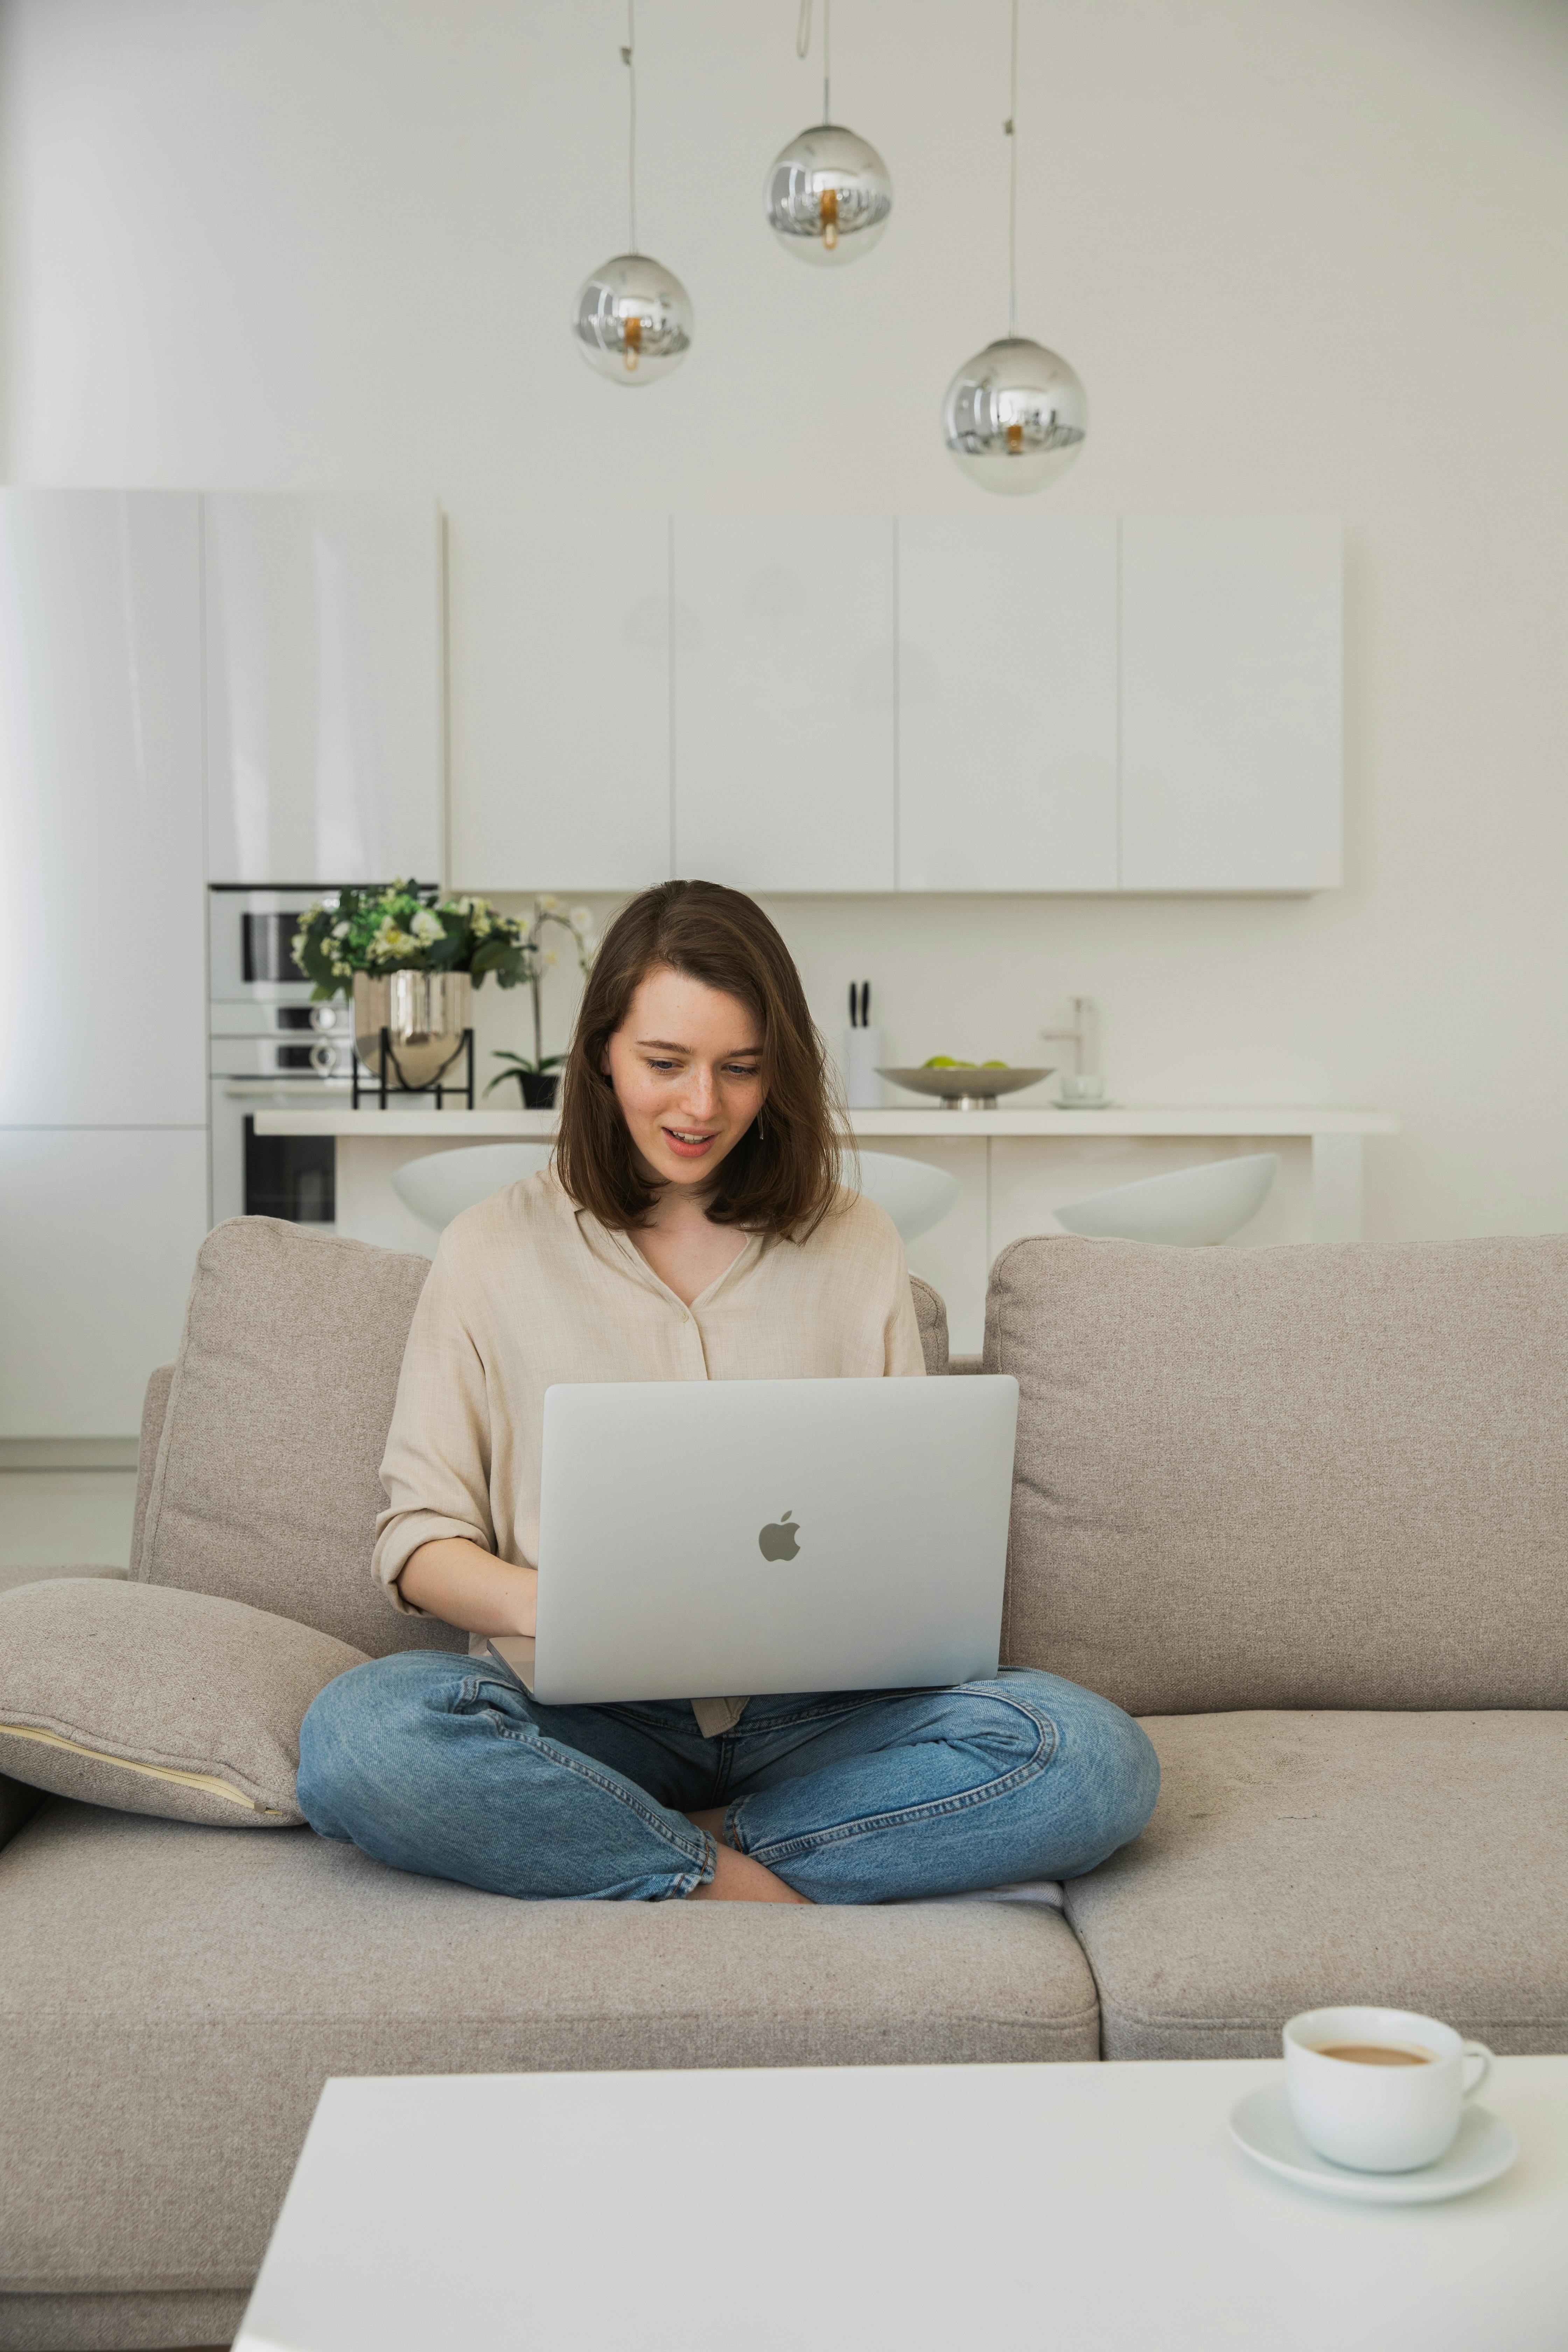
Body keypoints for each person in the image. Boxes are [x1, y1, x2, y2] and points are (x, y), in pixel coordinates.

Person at [297, 880, 1158, 1903]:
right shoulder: (490, 1249)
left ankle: (649, 1845)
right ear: (602, 1054)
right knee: (365, 1736)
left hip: (823, 1714)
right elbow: (418, 1540)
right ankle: (749, 1878)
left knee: (1091, 1759)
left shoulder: (854, 1241)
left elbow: (905, 1523)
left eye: (741, 1071)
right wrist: (574, 1610)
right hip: (589, 1715)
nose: (701, 1107)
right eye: (665, 1064)